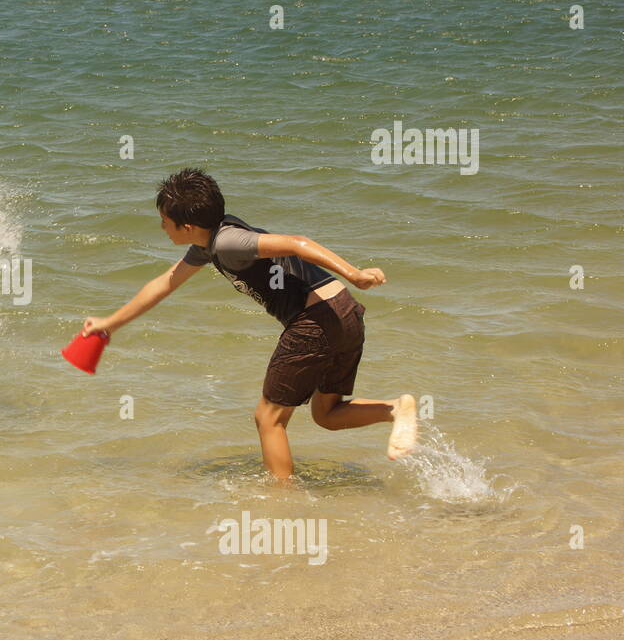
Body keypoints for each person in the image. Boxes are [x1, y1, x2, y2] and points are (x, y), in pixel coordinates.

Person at [82, 167, 417, 482]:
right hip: (344, 312)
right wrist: (109, 323)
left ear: (186, 227)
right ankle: (395, 408)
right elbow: (165, 283)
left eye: (164, 221)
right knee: (326, 415)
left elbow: (298, 243)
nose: (161, 228)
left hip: (315, 319)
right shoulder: (208, 244)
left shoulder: (229, 242)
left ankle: (281, 502)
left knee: (268, 418)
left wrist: (355, 273)